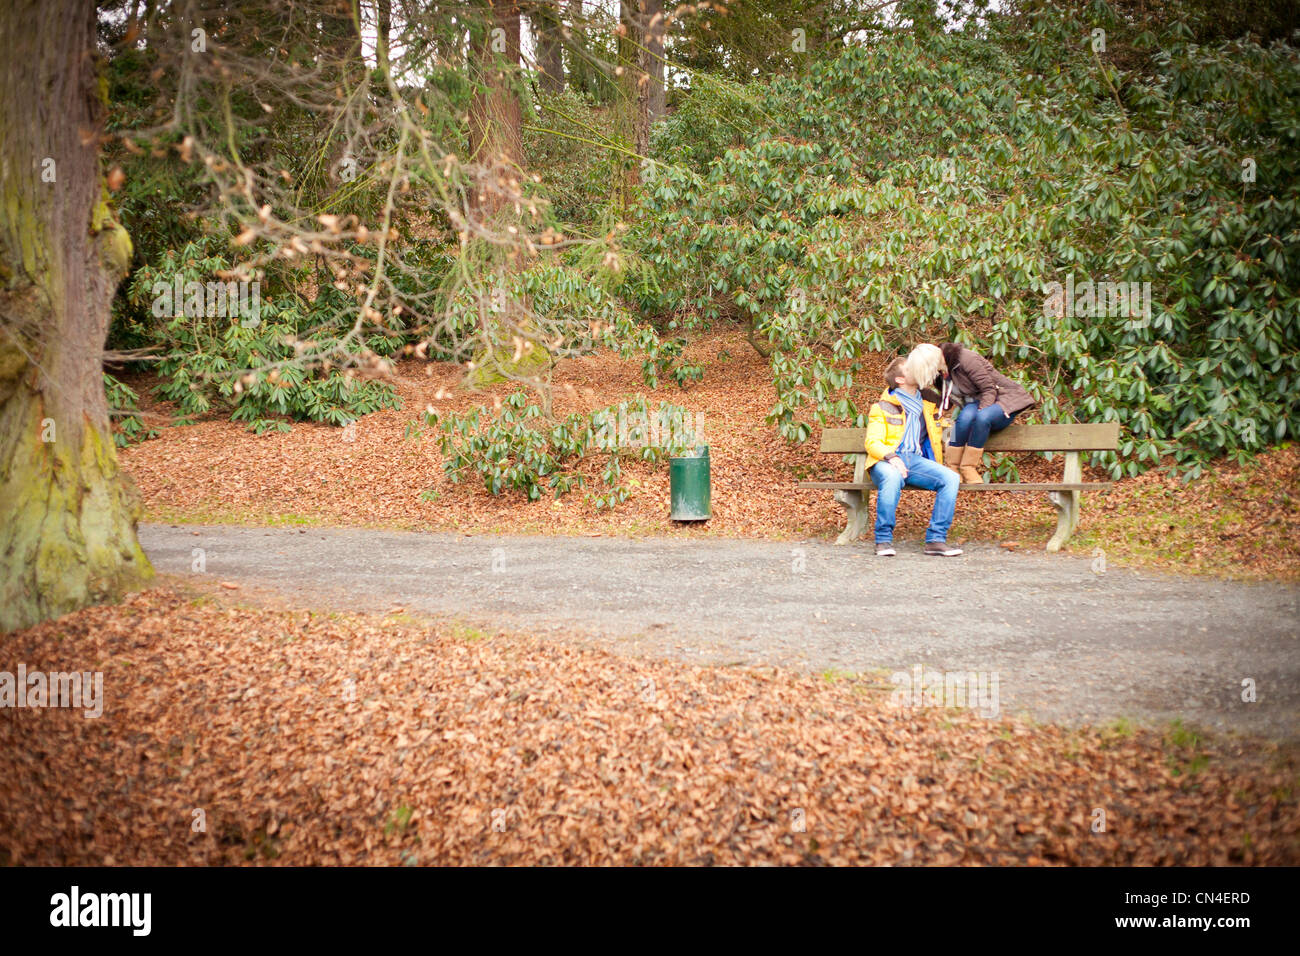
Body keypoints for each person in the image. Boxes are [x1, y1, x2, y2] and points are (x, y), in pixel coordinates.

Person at [864, 355, 962, 557]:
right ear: (900, 379)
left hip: (915, 460)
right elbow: (872, 442)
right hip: (885, 460)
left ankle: (936, 540)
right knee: (892, 478)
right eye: (910, 369)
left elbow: (950, 396)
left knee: (951, 478)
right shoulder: (881, 407)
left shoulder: (928, 403)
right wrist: (892, 457)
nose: (916, 368)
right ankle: (883, 540)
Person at [915, 342, 1038, 484]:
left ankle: (968, 467)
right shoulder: (940, 374)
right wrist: (919, 390)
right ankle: (952, 466)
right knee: (964, 418)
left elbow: (989, 389)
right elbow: (946, 402)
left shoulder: (964, 358)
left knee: (981, 417)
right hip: (975, 402)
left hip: (1003, 397)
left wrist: (980, 413)